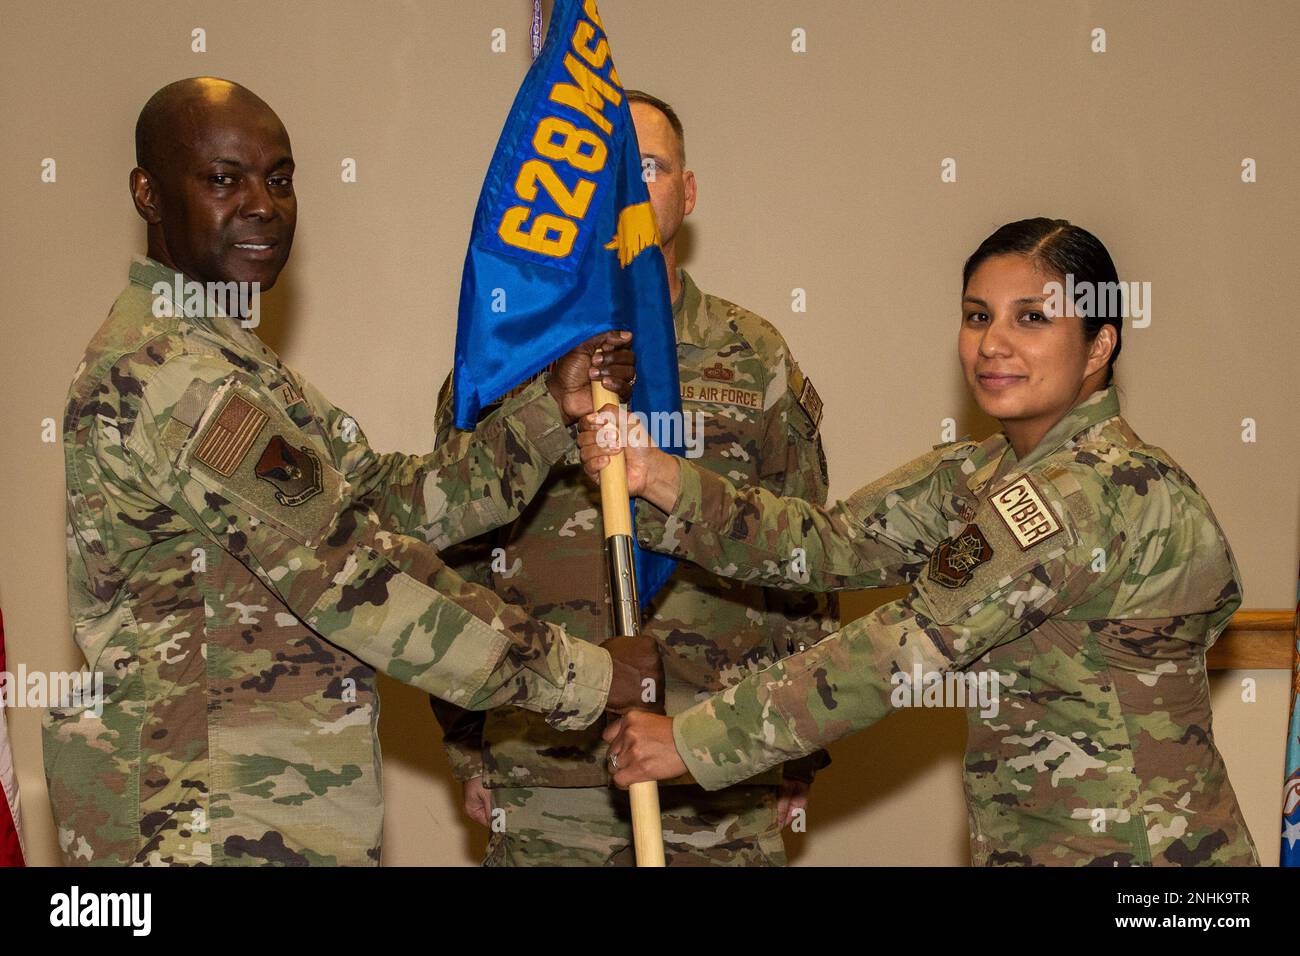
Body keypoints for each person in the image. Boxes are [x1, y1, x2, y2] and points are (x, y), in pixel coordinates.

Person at [48, 76, 659, 867]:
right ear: (149, 194)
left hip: (264, 818)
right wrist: (583, 676)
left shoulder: (231, 358)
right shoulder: (171, 374)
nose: (264, 205)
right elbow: (355, 575)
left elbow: (382, 506)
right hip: (200, 828)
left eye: (280, 178)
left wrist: (549, 414)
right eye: (223, 179)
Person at [584, 218, 1260, 866]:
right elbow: (831, 543)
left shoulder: (1084, 492)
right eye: (977, 315)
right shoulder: (986, 471)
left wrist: (693, 741)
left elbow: (900, 648)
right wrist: (663, 479)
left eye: (1032, 317)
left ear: (1099, 345)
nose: (993, 342)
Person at [429, 91, 836, 866]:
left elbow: (807, 559)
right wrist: (465, 743)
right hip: (547, 770)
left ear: (687, 192)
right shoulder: (504, 363)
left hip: (722, 763)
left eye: (647, 167)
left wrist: (799, 744)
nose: (626, 188)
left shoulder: (754, 353)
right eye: (606, 169)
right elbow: (450, 563)